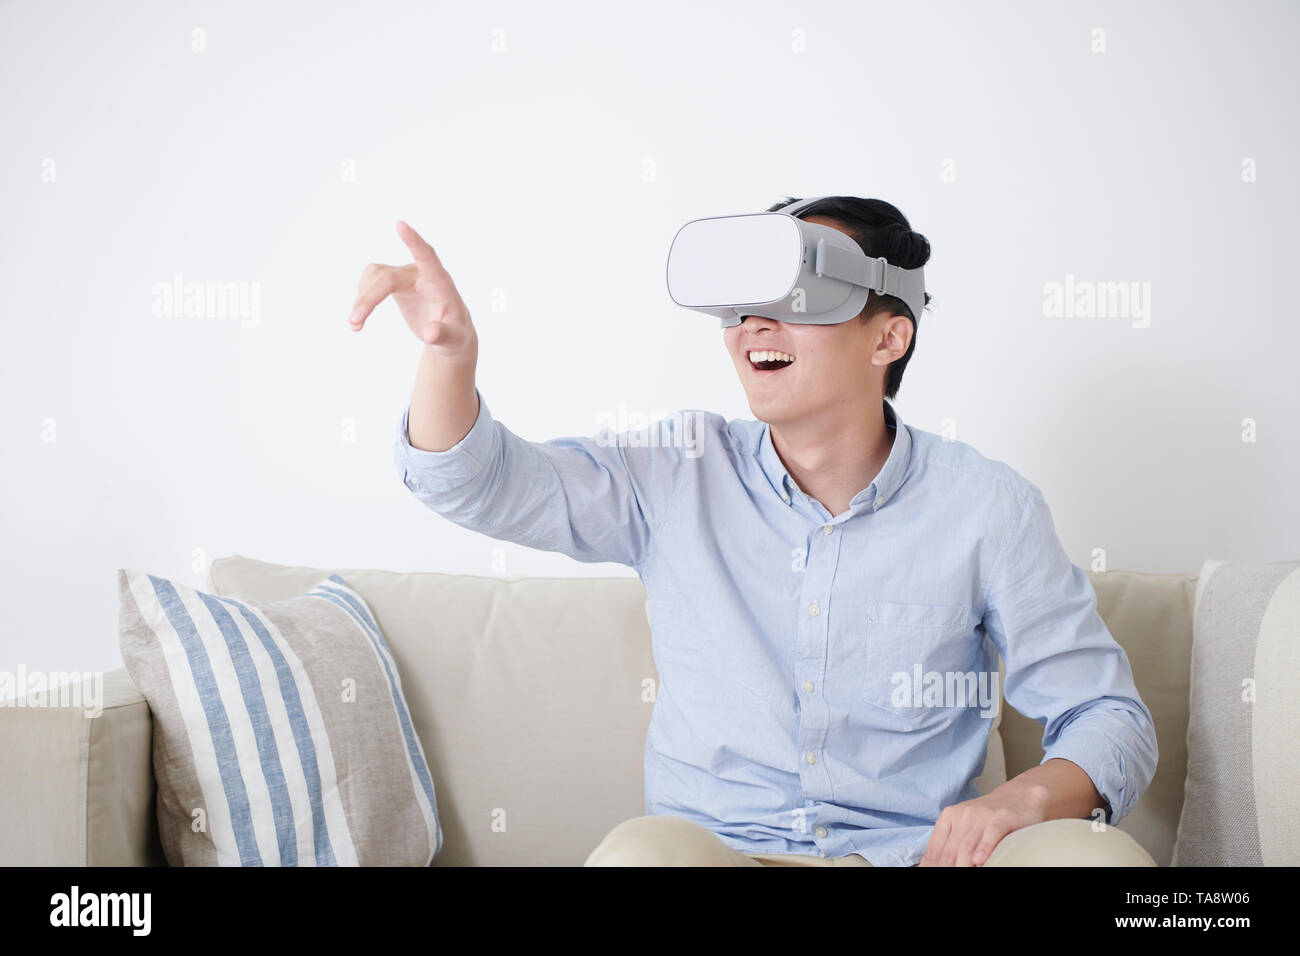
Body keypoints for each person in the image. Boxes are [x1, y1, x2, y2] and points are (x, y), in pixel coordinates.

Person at [347, 196, 1159, 867]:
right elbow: (479, 484)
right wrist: (448, 357)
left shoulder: (988, 508)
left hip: (917, 857)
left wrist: (1023, 798)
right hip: (717, 853)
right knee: (636, 858)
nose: (755, 327)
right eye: (742, 306)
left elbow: (1108, 716)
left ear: (888, 335)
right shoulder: (673, 471)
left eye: (799, 299)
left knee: (1102, 863)